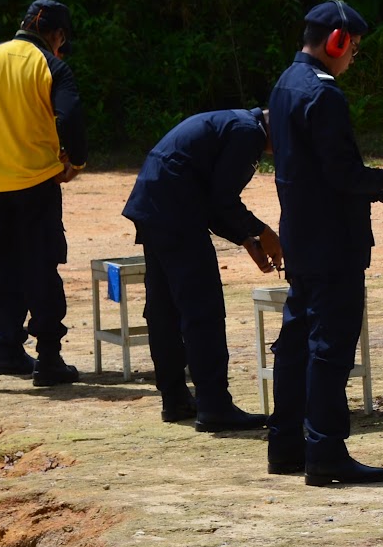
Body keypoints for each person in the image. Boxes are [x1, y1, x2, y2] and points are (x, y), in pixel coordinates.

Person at [266, 0, 383, 486]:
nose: (354, 57)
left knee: (296, 344)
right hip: (334, 241)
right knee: (329, 349)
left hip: (302, 235)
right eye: (354, 47)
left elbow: (319, 171)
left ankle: (287, 445)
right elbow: (342, 173)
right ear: (337, 42)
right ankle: (326, 452)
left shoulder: (285, 84)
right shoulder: (324, 94)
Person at [121, 107, 287, 430]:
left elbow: (213, 201)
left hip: (155, 205)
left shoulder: (237, 125)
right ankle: (214, 405)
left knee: (165, 309)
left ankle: (174, 398)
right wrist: (264, 232)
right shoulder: (248, 133)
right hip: (175, 210)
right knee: (203, 309)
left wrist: (246, 239)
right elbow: (223, 200)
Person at [0, 0, 87, 393]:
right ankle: (49, 360)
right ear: (56, 35)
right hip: (35, 184)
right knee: (40, 268)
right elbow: (69, 115)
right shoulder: (52, 66)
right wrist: (75, 161)